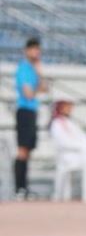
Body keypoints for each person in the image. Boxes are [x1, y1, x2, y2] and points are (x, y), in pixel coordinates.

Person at [14, 37, 48, 200]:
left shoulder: (35, 69)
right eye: (34, 49)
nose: (37, 52)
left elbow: (44, 88)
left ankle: (24, 187)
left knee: (28, 151)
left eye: (38, 50)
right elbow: (28, 93)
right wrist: (37, 90)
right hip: (24, 111)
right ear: (27, 50)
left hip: (32, 111)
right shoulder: (23, 68)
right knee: (22, 150)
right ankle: (19, 188)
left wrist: (40, 74)